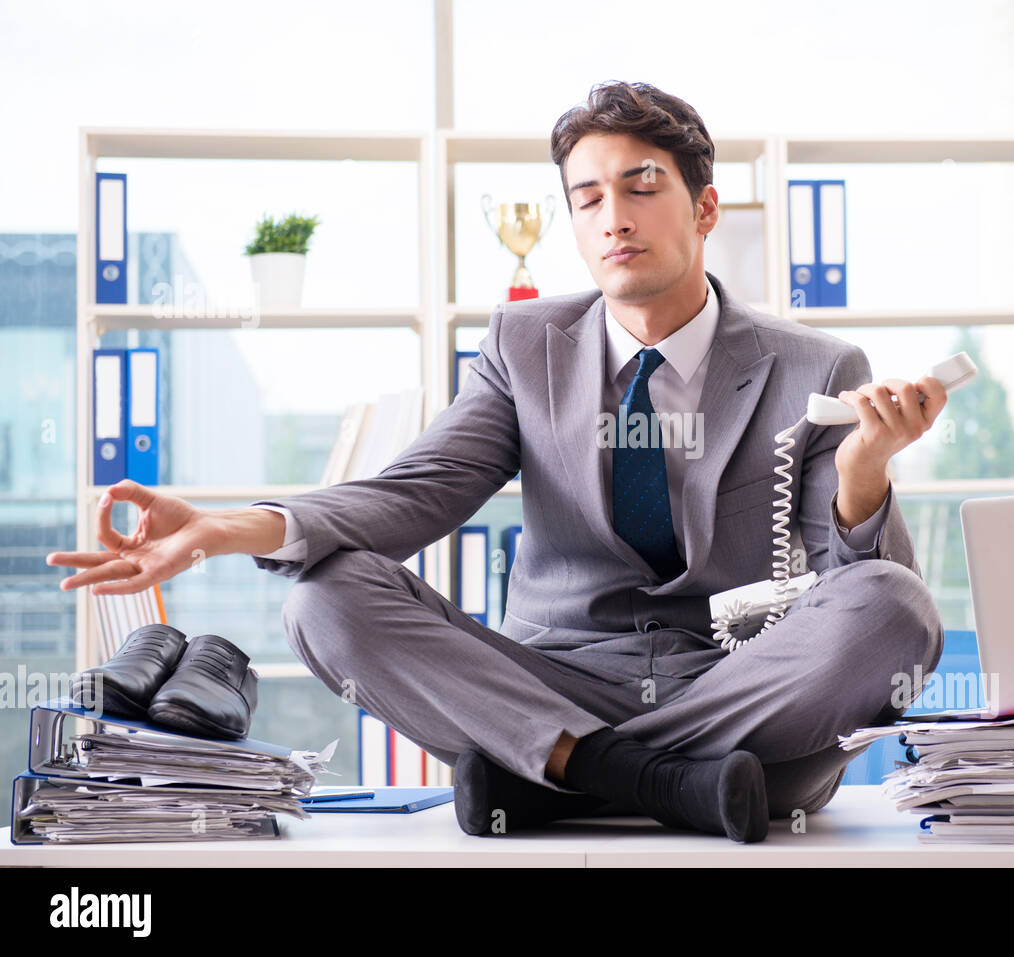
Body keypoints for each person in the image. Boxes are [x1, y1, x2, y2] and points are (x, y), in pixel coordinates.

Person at [48, 80, 948, 844]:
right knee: (324, 594)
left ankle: (570, 775)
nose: (614, 218)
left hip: (736, 685)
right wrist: (227, 527)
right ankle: (656, 780)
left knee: (894, 608)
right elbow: (417, 491)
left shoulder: (816, 368)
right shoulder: (526, 343)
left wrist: (865, 471)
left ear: (704, 207)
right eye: (588, 197)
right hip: (558, 684)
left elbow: (855, 588)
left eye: (641, 187)